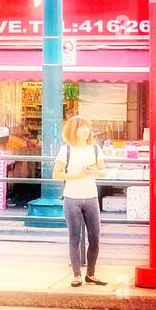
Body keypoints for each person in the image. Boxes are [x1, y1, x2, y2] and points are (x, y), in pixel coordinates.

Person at [53, 116, 107, 288]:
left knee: (95, 237)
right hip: (72, 198)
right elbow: (56, 174)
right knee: (74, 238)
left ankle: (91, 274)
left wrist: (93, 171)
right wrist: (77, 176)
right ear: (72, 130)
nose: (85, 130)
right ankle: (77, 275)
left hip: (91, 197)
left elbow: (103, 171)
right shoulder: (66, 150)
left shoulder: (95, 149)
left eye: (87, 127)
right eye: (81, 127)